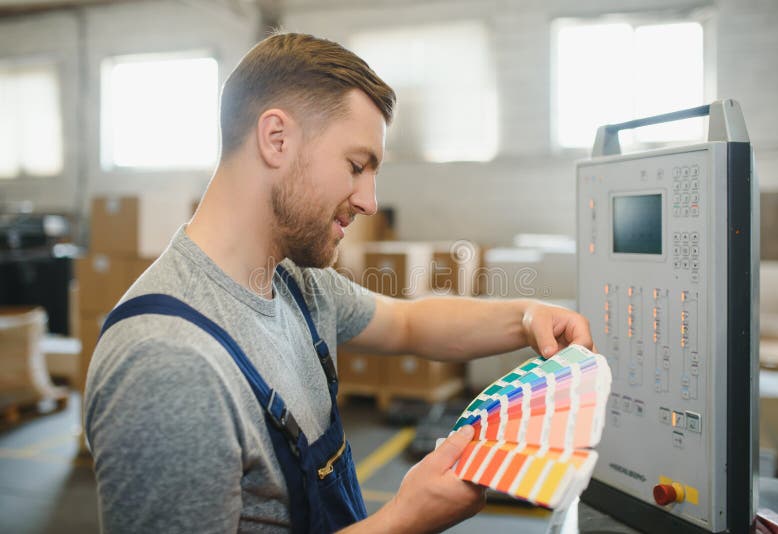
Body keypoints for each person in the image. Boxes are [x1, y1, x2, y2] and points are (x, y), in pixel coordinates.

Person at [84, 32, 595, 533]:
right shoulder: (169, 361)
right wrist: (404, 521)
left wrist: (527, 317)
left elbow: (409, 323)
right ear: (276, 139)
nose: (370, 201)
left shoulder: (294, 284)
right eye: (356, 166)